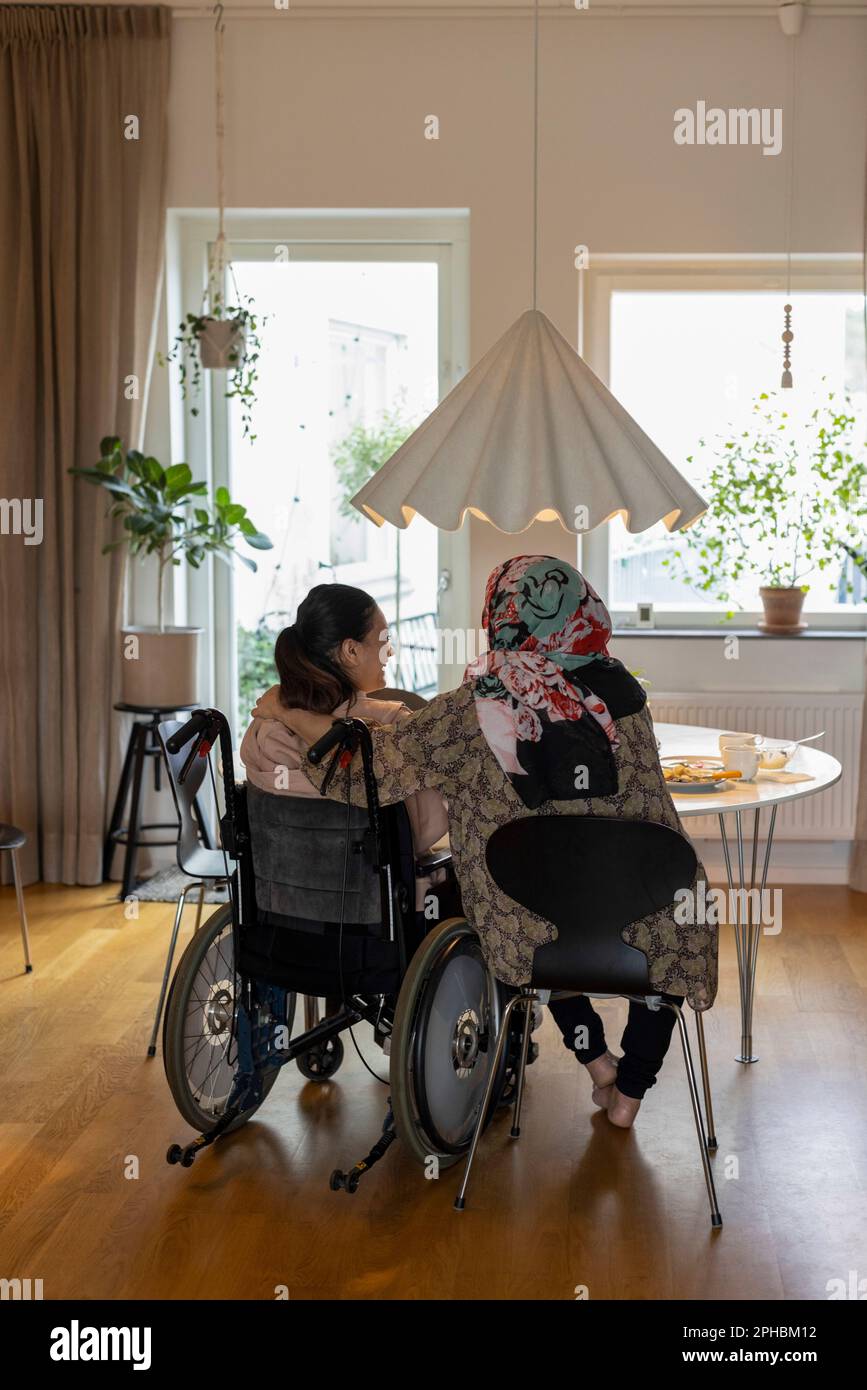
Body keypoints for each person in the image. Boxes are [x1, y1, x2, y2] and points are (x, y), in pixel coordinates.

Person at [252, 556, 716, 1129]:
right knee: (659, 930)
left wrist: (289, 709)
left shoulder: (472, 709)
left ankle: (598, 1063)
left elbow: (363, 773)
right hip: (645, 918)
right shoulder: (627, 697)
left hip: (529, 923)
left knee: (537, 906)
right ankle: (629, 1093)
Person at [240, 583, 449, 912]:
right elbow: (423, 835)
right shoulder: (393, 723)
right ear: (351, 651)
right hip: (379, 919)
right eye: (383, 641)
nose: (390, 653)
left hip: (282, 914)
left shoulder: (265, 730)